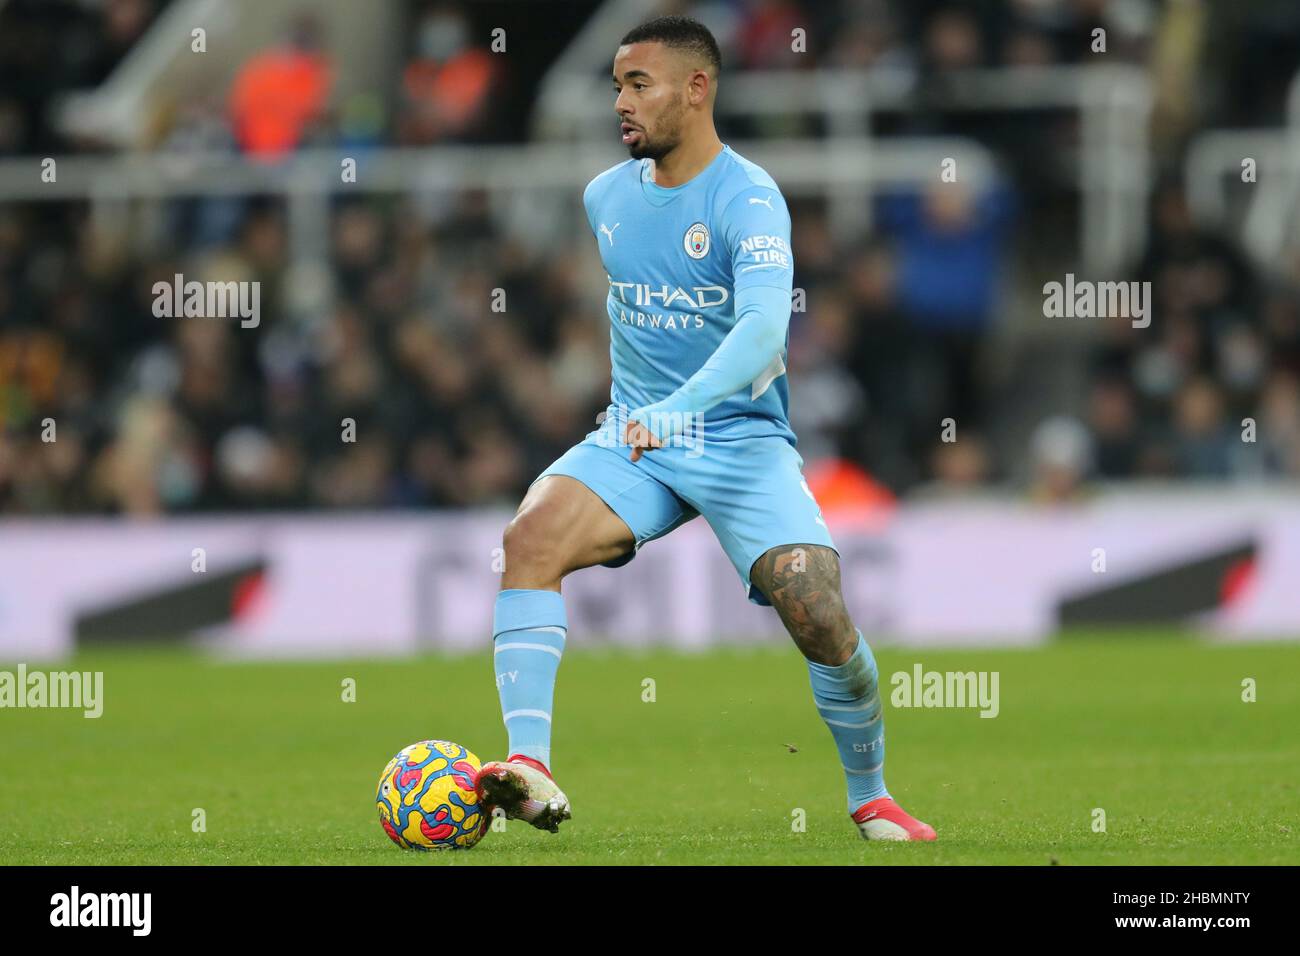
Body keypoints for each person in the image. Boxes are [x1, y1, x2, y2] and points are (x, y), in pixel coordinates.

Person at [475, 15, 935, 843]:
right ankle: (529, 769)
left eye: (638, 84)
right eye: (616, 84)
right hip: (638, 440)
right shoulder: (605, 197)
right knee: (530, 538)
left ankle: (871, 795)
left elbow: (763, 334)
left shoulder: (748, 197)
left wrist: (679, 409)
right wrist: (644, 415)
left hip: (739, 441)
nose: (620, 101)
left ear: (698, 88)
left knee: (815, 605)